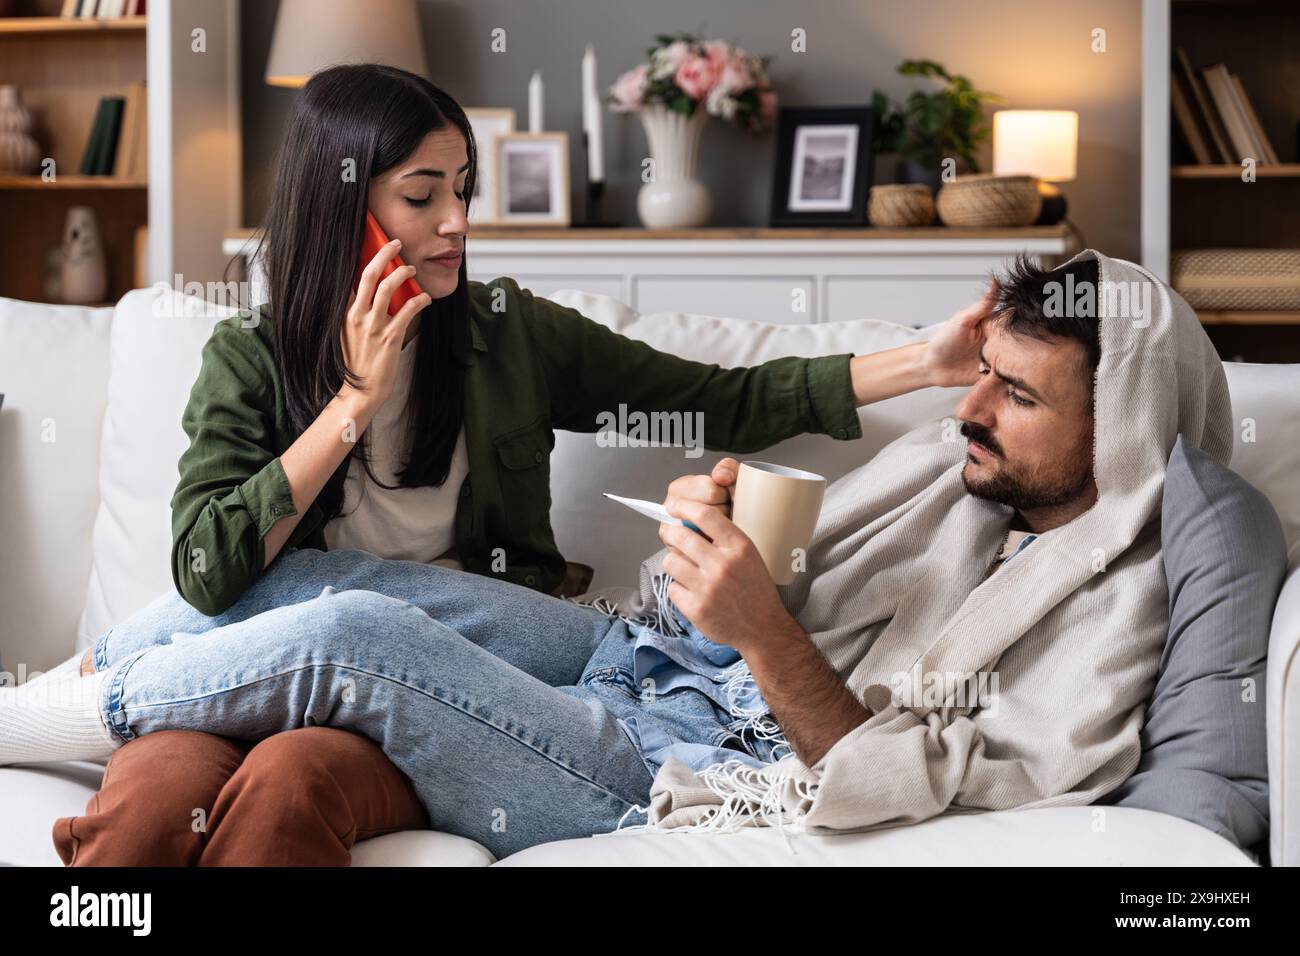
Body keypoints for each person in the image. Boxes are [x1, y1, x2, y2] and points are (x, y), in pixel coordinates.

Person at [3, 62, 991, 865]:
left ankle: (80, 685)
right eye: (422, 196)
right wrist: (352, 405)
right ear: (342, 206)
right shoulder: (250, 361)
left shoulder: (511, 335)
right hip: (235, 673)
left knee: (292, 781)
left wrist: (922, 362)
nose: (458, 223)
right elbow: (213, 571)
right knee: (143, 819)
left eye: (463, 191)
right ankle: (67, 705)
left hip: (440, 679)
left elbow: (714, 396)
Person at [5, 248, 1209, 857]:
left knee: (351, 639)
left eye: (1017, 394)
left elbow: (891, 770)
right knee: (320, 579)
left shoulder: (1104, 618)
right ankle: (67, 681)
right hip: (634, 655)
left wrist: (760, 627)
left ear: (1125, 426)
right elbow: (752, 604)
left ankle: (35, 722)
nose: (971, 413)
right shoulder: (959, 487)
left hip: (672, 761)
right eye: (982, 377)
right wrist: (719, 550)